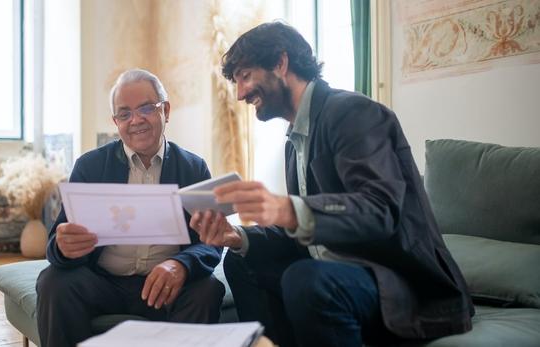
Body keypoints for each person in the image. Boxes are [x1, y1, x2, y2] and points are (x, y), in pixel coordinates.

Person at [190, 22, 473, 347]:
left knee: (306, 279)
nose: (240, 93)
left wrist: (287, 208)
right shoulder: (293, 141)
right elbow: (308, 236)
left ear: (280, 64)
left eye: (245, 76)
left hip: (398, 281)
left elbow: (379, 210)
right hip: (337, 272)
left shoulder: (353, 113)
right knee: (241, 260)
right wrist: (237, 237)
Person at [36, 69, 224, 347]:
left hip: (166, 286)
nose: (136, 120)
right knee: (54, 281)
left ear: (166, 110)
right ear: (116, 122)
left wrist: (180, 265)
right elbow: (58, 243)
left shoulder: (194, 167)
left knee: (208, 290)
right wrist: (63, 247)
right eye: (124, 114)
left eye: (146, 108)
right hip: (103, 283)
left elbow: (211, 242)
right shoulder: (90, 166)